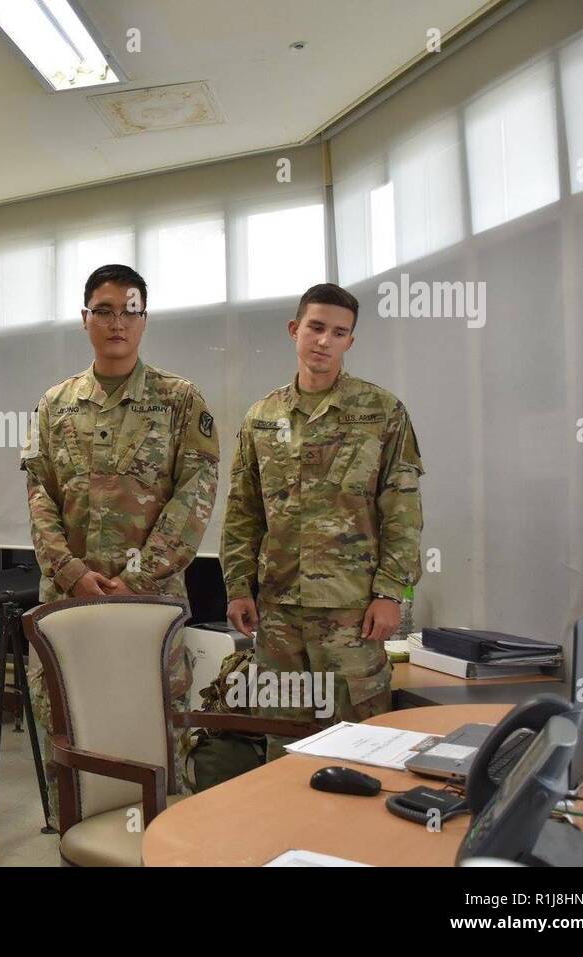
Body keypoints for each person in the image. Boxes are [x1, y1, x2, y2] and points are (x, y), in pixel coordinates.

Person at [22, 263, 219, 819]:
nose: (117, 323)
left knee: (158, 720)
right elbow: (41, 498)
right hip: (69, 600)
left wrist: (134, 580)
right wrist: (71, 574)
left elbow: (194, 497)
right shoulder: (54, 405)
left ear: (145, 320)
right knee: (68, 721)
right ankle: (77, 838)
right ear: (85, 319)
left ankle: (166, 840)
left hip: (150, 603)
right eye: (104, 310)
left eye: (129, 311)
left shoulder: (181, 401)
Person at [220, 282, 424, 757]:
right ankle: (284, 832)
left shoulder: (382, 413)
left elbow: (403, 510)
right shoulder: (261, 417)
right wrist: (236, 585)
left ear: (350, 341)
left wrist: (390, 593)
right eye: (315, 327)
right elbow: (243, 511)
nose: (324, 341)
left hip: (352, 613)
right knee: (283, 740)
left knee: (360, 739)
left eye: (339, 332)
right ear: (295, 330)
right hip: (279, 612)